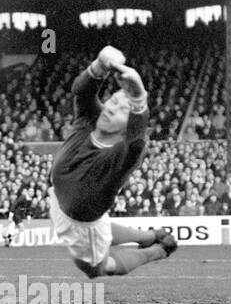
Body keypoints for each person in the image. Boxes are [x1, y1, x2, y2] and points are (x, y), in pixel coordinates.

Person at [47, 46, 177, 277]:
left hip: (82, 224)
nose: (110, 108)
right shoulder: (90, 121)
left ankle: (158, 251)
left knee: (95, 268)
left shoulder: (119, 157)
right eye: (113, 101)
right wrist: (98, 66)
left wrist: (138, 98)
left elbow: (136, 142)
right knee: (102, 229)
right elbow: (81, 93)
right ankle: (150, 236)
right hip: (58, 199)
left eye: (120, 109)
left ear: (127, 124)